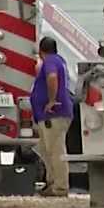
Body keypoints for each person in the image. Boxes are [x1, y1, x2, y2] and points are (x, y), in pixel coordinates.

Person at [30, 36, 76, 198]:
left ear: (41, 51)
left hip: (54, 114)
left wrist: (51, 100)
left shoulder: (50, 61)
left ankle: (60, 187)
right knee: (46, 149)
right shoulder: (58, 60)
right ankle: (52, 182)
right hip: (53, 114)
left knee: (56, 150)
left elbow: (51, 77)